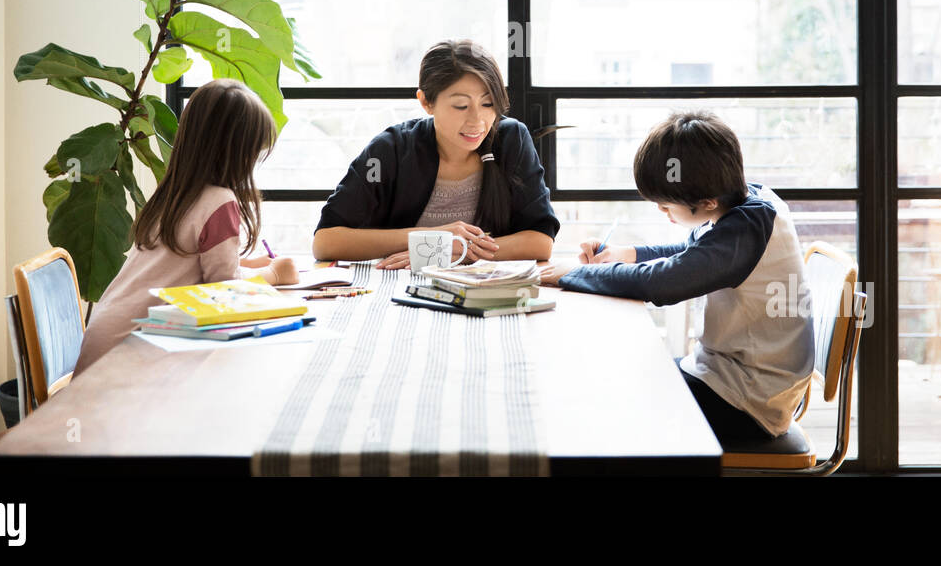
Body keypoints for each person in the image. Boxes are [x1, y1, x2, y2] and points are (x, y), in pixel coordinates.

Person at [540, 110, 815, 444]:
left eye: (666, 205)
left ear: (708, 202)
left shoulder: (746, 230)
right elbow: (691, 252)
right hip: (732, 379)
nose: (661, 210)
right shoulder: (750, 200)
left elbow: (664, 283)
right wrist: (625, 254)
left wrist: (577, 273)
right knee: (613, 375)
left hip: (749, 403)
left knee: (608, 399)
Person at [73, 78, 293, 376]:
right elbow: (225, 295)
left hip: (104, 344)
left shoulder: (175, 194)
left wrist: (246, 265)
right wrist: (274, 274)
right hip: (127, 360)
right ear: (235, 152)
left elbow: (186, 268)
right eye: (253, 152)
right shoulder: (219, 201)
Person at [313, 39, 558, 269]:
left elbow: (540, 241)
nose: (478, 121)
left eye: (487, 103)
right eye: (461, 106)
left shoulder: (511, 139)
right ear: (426, 102)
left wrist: (455, 251)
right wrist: (430, 239)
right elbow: (326, 241)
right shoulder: (390, 150)